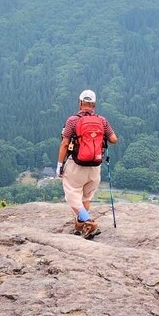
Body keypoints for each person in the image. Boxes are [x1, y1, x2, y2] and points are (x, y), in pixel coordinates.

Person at [57, 89, 118, 237]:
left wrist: (59, 165)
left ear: (80, 103)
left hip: (76, 166)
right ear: (94, 105)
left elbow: (65, 143)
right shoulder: (102, 121)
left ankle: (90, 222)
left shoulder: (72, 120)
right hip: (95, 167)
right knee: (85, 198)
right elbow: (114, 139)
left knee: (72, 197)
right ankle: (79, 227)